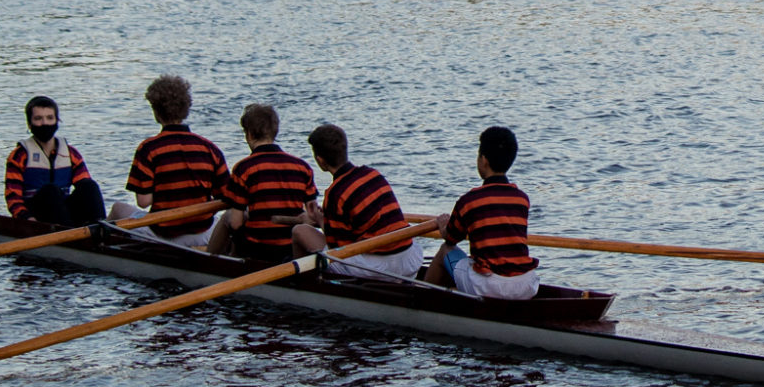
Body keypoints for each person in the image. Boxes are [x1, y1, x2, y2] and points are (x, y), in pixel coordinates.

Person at [291, 123, 422, 279]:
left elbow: (338, 248)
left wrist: (320, 221)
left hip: (379, 267)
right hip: (410, 258)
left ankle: (303, 284)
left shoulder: (335, 193)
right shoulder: (373, 174)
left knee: (299, 231)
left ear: (320, 160)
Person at [426, 126, 539, 300]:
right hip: (525, 284)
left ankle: (420, 298)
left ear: (483, 160)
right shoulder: (522, 199)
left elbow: (452, 238)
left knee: (445, 250)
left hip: (489, 285)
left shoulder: (469, 200)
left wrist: (442, 226)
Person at [118, 74, 230, 248]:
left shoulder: (148, 149)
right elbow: (225, 197)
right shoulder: (209, 148)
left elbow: (143, 201)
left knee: (118, 209)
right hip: (203, 234)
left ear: (156, 112)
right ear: (186, 108)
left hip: (163, 234)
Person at [208, 103, 317, 259]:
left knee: (229, 216)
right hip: (291, 247)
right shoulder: (303, 167)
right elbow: (312, 216)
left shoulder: (243, 168)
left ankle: (209, 260)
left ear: (249, 135)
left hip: (258, 248)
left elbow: (235, 223)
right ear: (275, 132)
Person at [3, 96, 104, 225]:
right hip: (36, 215)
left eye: (50, 118)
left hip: (63, 212)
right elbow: (13, 199)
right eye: (38, 119)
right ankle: (67, 231)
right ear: (29, 124)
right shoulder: (19, 156)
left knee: (89, 185)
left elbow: (86, 191)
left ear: (57, 121)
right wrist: (28, 219)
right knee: (50, 191)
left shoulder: (71, 154)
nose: (45, 123)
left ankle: (99, 226)